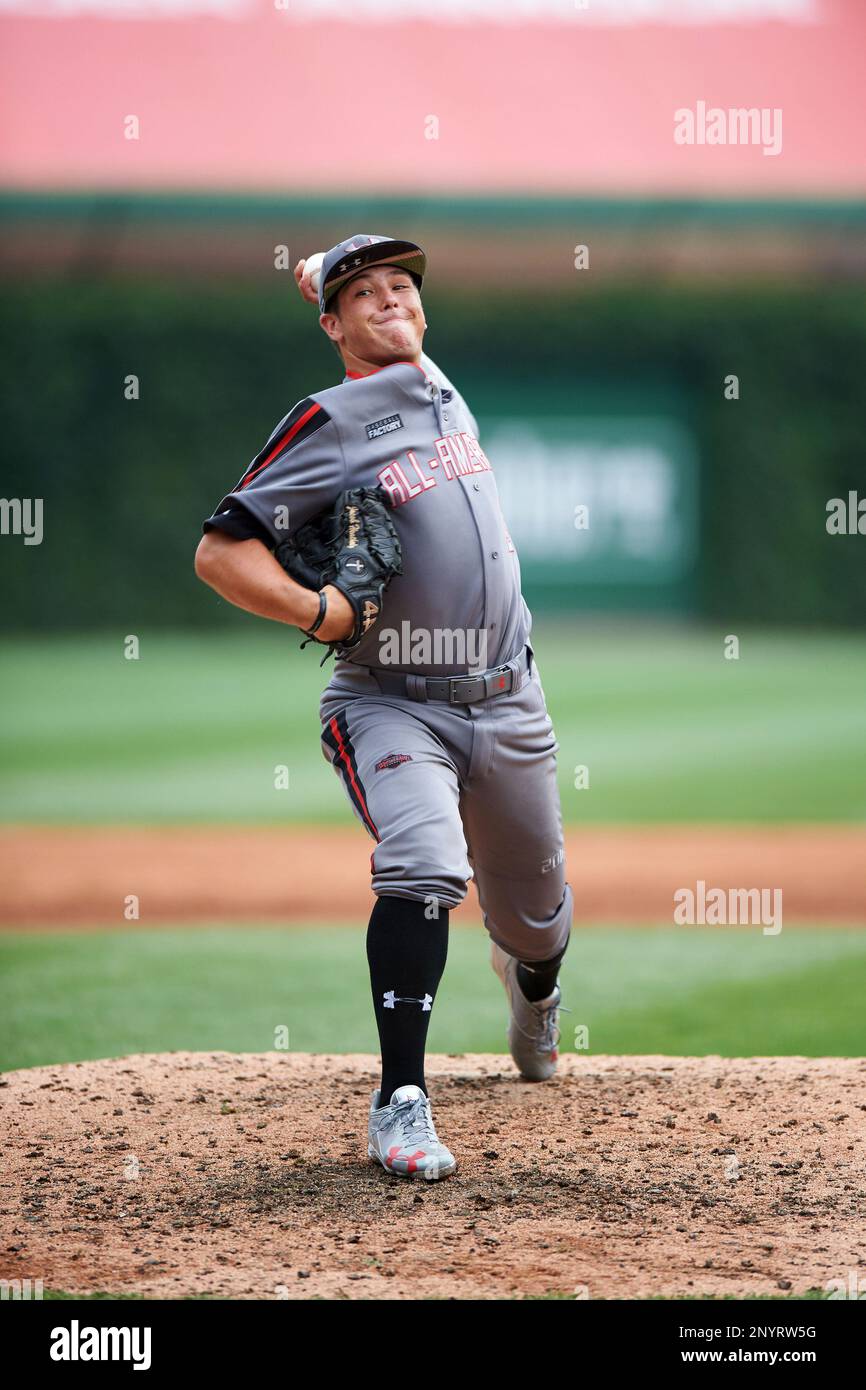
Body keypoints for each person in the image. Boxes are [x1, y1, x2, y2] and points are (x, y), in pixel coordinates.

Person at [195, 235, 573, 1181]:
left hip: (509, 698)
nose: (391, 300)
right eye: (363, 294)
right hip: (391, 702)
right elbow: (221, 551)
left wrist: (325, 270)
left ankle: (531, 990)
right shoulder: (329, 417)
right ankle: (401, 1102)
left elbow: (367, 305)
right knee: (425, 865)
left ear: (424, 311)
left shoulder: (435, 385)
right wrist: (319, 608)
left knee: (538, 923)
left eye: (403, 287)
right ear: (333, 326)